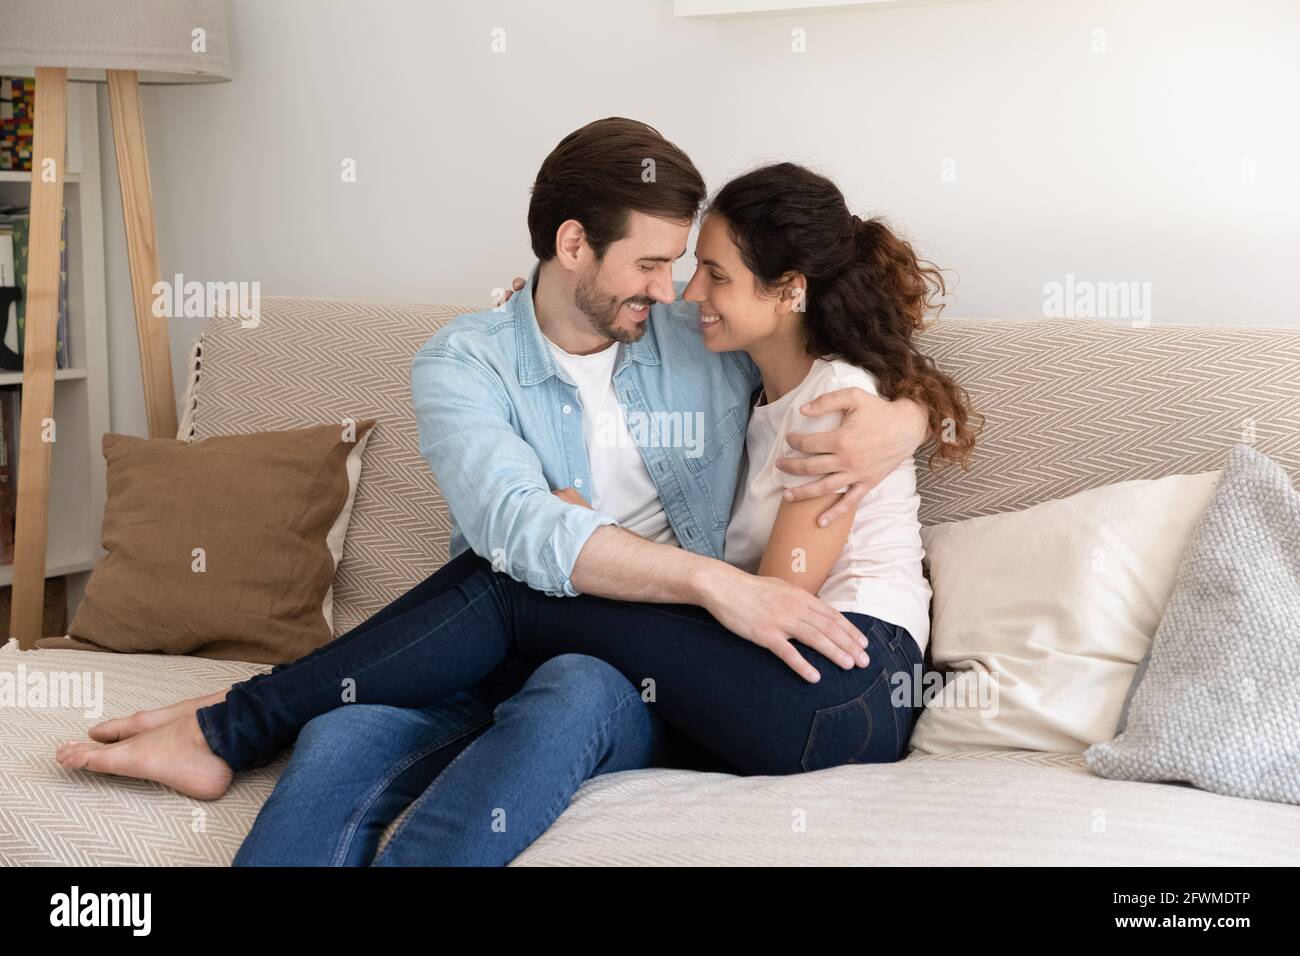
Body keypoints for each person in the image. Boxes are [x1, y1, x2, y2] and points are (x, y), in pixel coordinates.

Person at [56, 120, 972, 865]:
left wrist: (906, 421)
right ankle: (243, 731)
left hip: (709, 673)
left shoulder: (708, 342)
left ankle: (231, 725)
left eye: (696, 268)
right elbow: (519, 526)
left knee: (539, 616)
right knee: (349, 734)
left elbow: (846, 382)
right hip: (532, 650)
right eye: (656, 265)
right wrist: (702, 578)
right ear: (574, 246)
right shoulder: (465, 364)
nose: (679, 289)